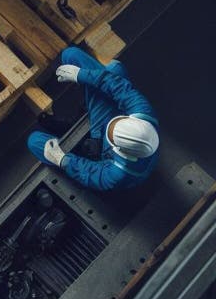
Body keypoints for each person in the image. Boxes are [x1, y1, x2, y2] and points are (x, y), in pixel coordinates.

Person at [27, 45, 159, 192]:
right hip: (113, 114)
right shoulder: (145, 115)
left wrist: (62, 160)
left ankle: (76, 130)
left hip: (99, 148)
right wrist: (80, 75)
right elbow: (117, 86)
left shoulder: (117, 175)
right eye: (118, 123)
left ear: (117, 147)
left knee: (35, 142)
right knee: (76, 57)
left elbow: (88, 174)